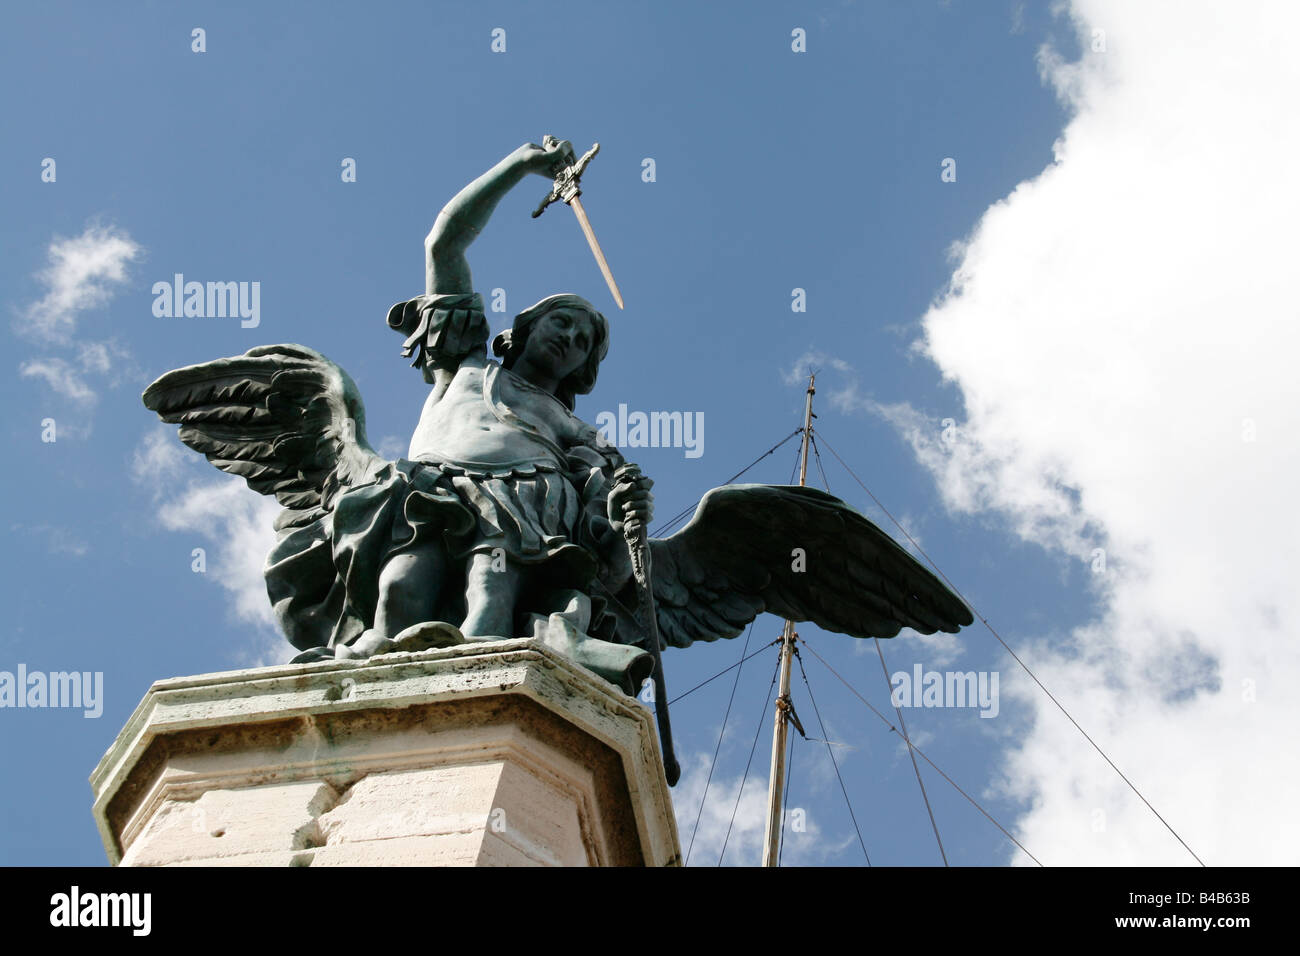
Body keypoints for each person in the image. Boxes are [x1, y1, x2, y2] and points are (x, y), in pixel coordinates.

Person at [291, 139, 653, 672]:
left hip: (526, 502)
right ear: (527, 326)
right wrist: (520, 165)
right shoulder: (463, 365)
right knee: (400, 590)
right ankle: (386, 679)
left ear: (584, 367)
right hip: (432, 488)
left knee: (491, 595)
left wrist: (629, 510)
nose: (569, 338)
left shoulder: (575, 429)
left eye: (582, 340)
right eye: (561, 322)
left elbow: (612, 534)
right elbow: (443, 244)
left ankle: (484, 690)